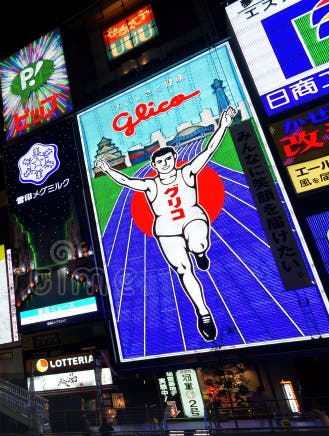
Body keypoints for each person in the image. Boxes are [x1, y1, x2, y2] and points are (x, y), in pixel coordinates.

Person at [94, 105, 238, 342]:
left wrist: (223, 124)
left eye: (168, 159)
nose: (165, 163)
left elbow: (209, 149)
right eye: (160, 161)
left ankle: (200, 252)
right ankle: (203, 313)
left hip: (192, 217)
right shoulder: (151, 185)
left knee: (198, 242)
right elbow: (126, 181)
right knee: (183, 270)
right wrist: (107, 169)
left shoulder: (187, 171)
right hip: (167, 230)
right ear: (155, 166)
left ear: (173, 159)